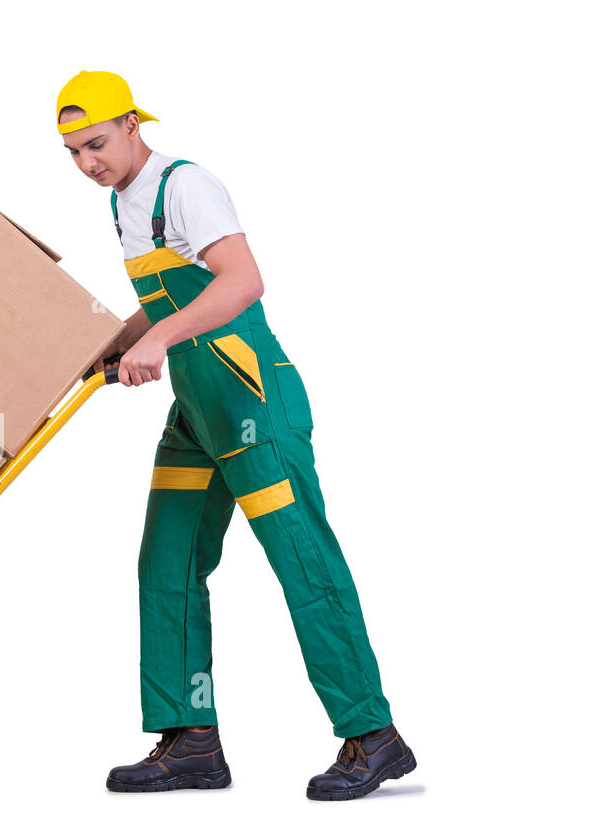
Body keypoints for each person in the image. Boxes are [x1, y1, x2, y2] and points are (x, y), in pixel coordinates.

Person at [57, 70, 416, 801]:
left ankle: (372, 734)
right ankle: (191, 740)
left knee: (303, 564)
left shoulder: (185, 185)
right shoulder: (123, 204)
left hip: (252, 401)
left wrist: (155, 338)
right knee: (166, 560)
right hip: (197, 414)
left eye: (95, 142)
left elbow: (242, 281)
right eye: (71, 151)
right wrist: (109, 344)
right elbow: (162, 303)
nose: (86, 162)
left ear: (131, 124)